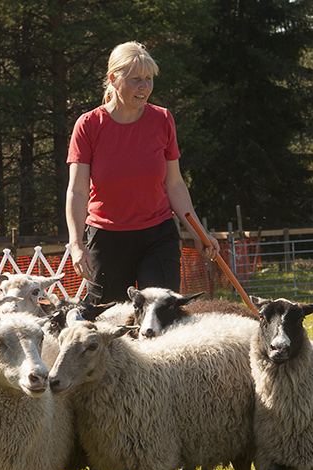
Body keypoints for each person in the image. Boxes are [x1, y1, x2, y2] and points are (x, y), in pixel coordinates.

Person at [66, 41, 220, 304]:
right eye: (136, 79)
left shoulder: (162, 119)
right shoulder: (89, 125)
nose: (144, 87)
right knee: (109, 318)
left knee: (161, 313)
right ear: (113, 79)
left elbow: (175, 185)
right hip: (107, 238)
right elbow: (77, 191)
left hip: (158, 234)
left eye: (149, 79)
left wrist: (198, 233)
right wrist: (76, 244)